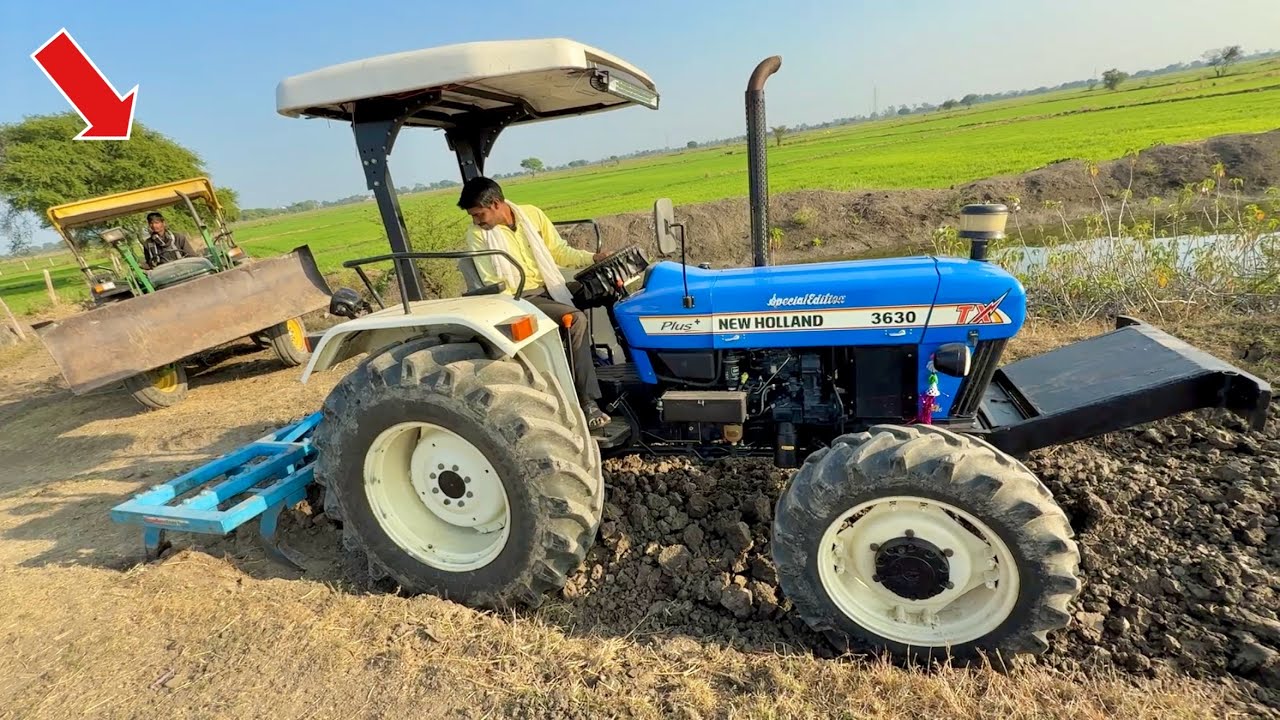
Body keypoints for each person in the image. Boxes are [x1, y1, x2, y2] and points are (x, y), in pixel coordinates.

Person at [458, 176, 613, 429]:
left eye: (479, 214)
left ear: (496, 204)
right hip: (520, 297)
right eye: (474, 216)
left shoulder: (532, 215)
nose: (476, 221)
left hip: (551, 286)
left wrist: (594, 258)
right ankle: (587, 402)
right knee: (575, 319)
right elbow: (494, 281)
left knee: (607, 288)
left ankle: (621, 369)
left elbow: (559, 252)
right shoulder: (477, 235)